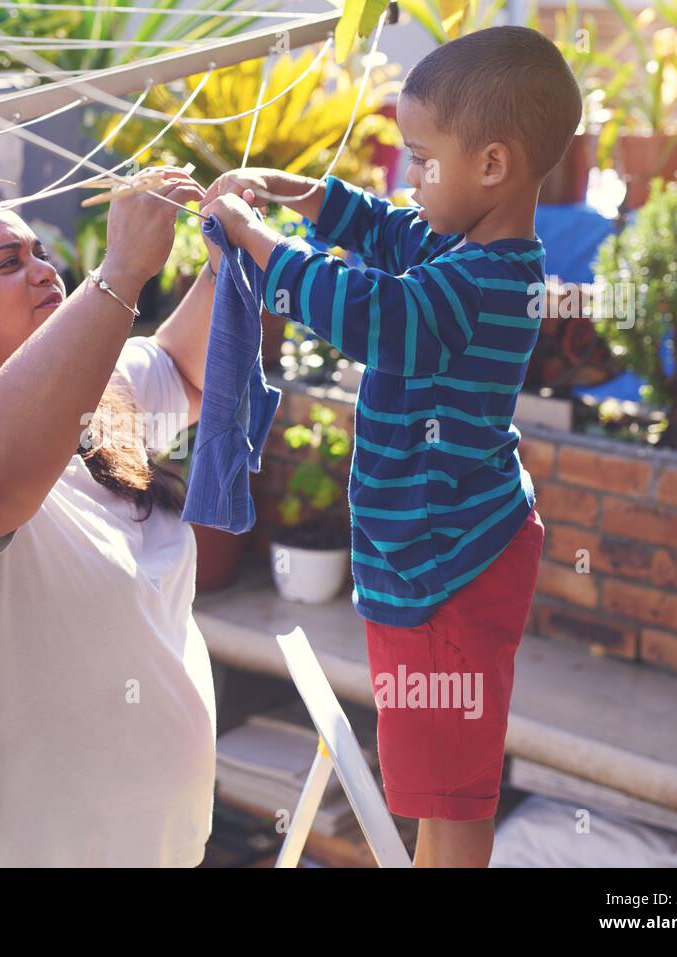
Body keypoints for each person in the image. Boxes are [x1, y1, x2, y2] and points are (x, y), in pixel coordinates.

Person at [200, 26, 581, 867]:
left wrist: (260, 245)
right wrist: (296, 192)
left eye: (421, 157)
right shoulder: (466, 248)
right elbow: (386, 232)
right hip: (438, 555)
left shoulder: (481, 284)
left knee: (451, 795)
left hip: (448, 567)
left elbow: (375, 314)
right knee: (433, 779)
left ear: (490, 165)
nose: (409, 176)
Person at [0, 166, 228, 866]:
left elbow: (189, 373)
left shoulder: (97, 396)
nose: (42, 271)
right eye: (9, 263)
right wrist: (122, 270)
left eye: (40, 254)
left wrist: (226, 257)